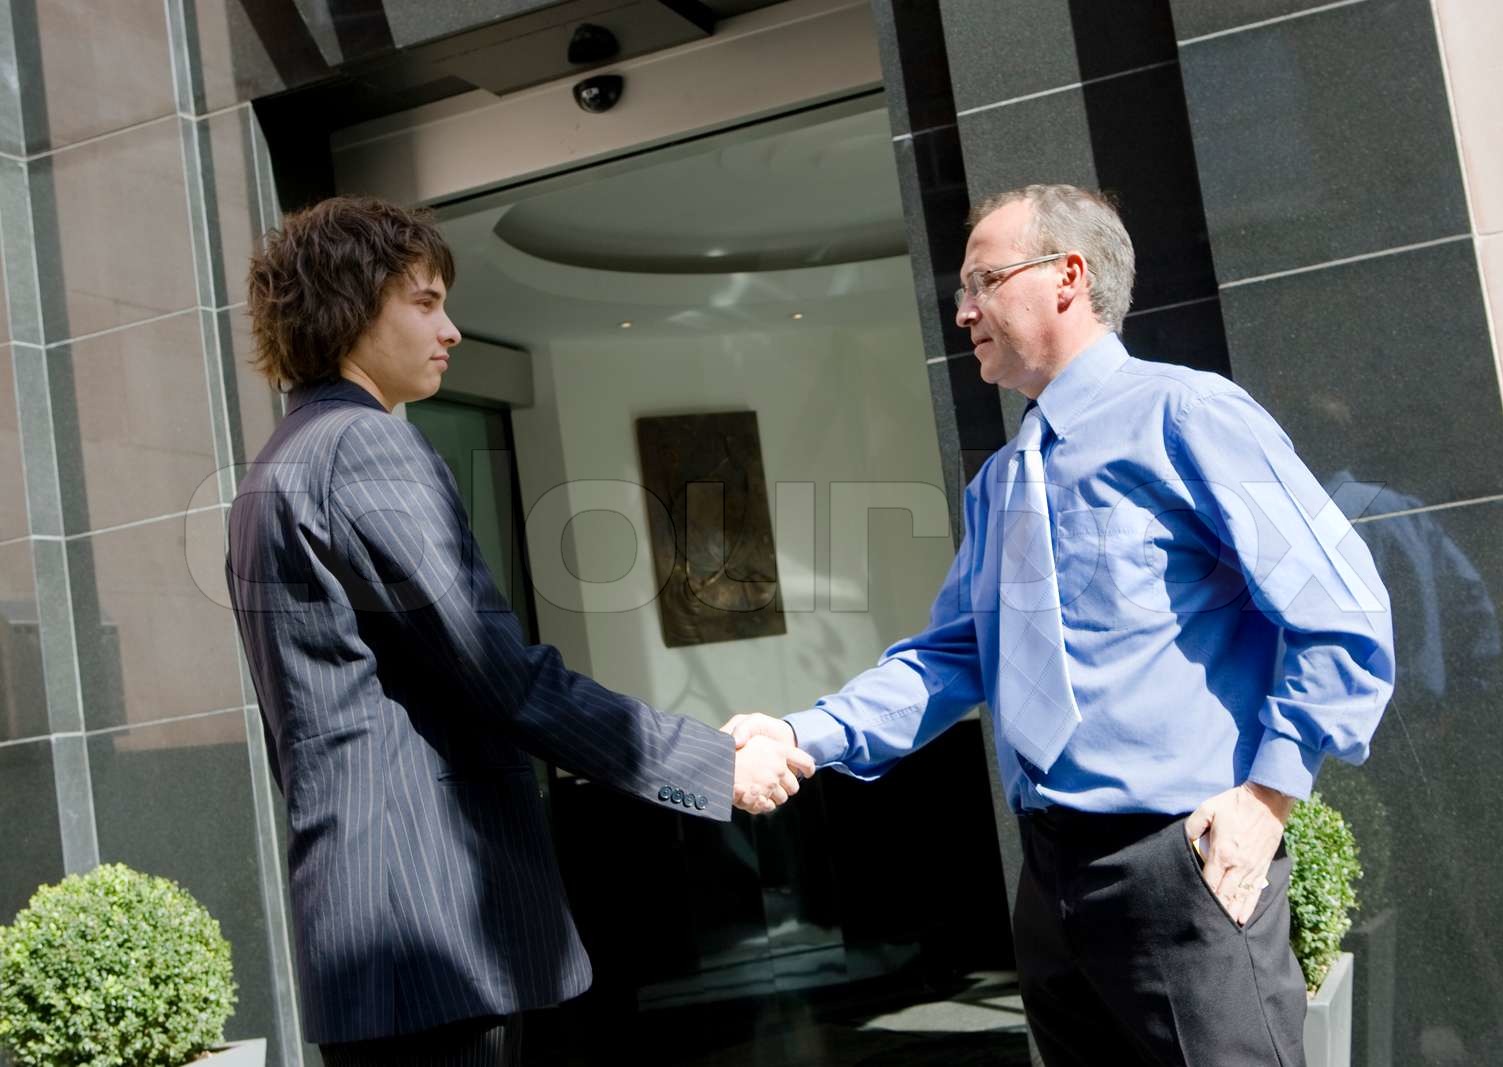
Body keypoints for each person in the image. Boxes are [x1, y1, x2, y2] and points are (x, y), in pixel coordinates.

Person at [726, 184, 1394, 1066]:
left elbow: (1341, 610)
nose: (963, 311)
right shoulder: (1001, 481)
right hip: (1050, 883)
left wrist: (1270, 795)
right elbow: (951, 656)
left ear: (1068, 276)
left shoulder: (1187, 414)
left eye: (983, 281)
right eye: (962, 290)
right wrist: (800, 734)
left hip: (1184, 862)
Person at [226, 196, 814, 1064]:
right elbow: (502, 673)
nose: (451, 329)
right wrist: (709, 763)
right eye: (425, 302)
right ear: (349, 310)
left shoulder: (277, 465)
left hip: (365, 924)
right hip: (436, 924)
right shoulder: (366, 446)